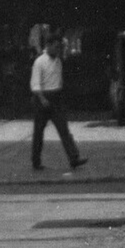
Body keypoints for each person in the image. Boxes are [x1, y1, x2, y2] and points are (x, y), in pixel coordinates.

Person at [29, 31, 87, 172]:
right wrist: (42, 99)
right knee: (38, 132)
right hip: (43, 97)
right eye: (55, 47)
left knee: (64, 130)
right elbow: (35, 84)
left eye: (59, 47)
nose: (58, 49)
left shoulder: (58, 60)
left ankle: (74, 158)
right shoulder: (39, 62)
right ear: (48, 46)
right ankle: (36, 161)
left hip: (56, 97)